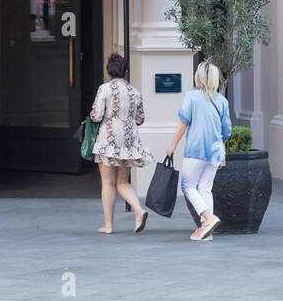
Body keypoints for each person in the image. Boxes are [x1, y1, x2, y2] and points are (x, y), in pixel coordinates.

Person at [166, 61, 232, 242]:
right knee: (205, 188)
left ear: (199, 77)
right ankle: (206, 230)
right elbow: (227, 131)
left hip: (196, 150)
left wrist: (173, 145)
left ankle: (209, 219)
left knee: (188, 186)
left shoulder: (191, 97)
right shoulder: (222, 101)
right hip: (216, 153)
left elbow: (183, 123)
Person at [90, 52, 153, 233]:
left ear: (109, 71)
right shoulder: (135, 92)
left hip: (108, 140)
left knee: (108, 183)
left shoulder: (104, 89)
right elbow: (140, 119)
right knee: (122, 182)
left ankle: (108, 225)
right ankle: (138, 210)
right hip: (128, 142)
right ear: (125, 71)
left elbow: (96, 115)